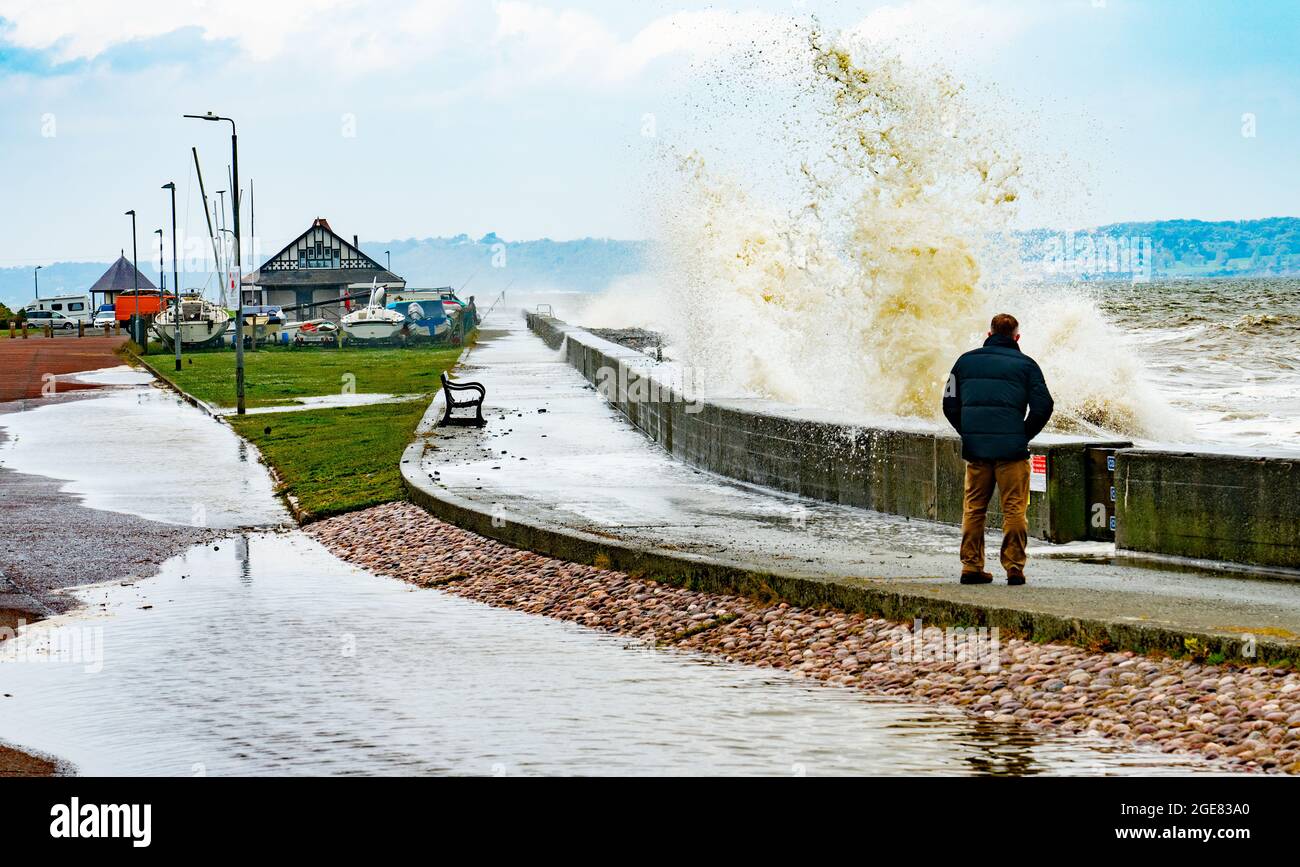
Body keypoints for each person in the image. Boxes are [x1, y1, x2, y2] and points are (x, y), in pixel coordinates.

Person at [942, 313, 1054, 586]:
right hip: (1012, 452)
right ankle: (1014, 567)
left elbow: (949, 403)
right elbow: (1044, 406)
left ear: (989, 334)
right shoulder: (1027, 365)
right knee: (1014, 509)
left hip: (977, 451)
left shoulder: (964, 362)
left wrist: (969, 432)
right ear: (1017, 338)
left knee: (974, 509)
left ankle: (971, 566)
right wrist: (1021, 434)